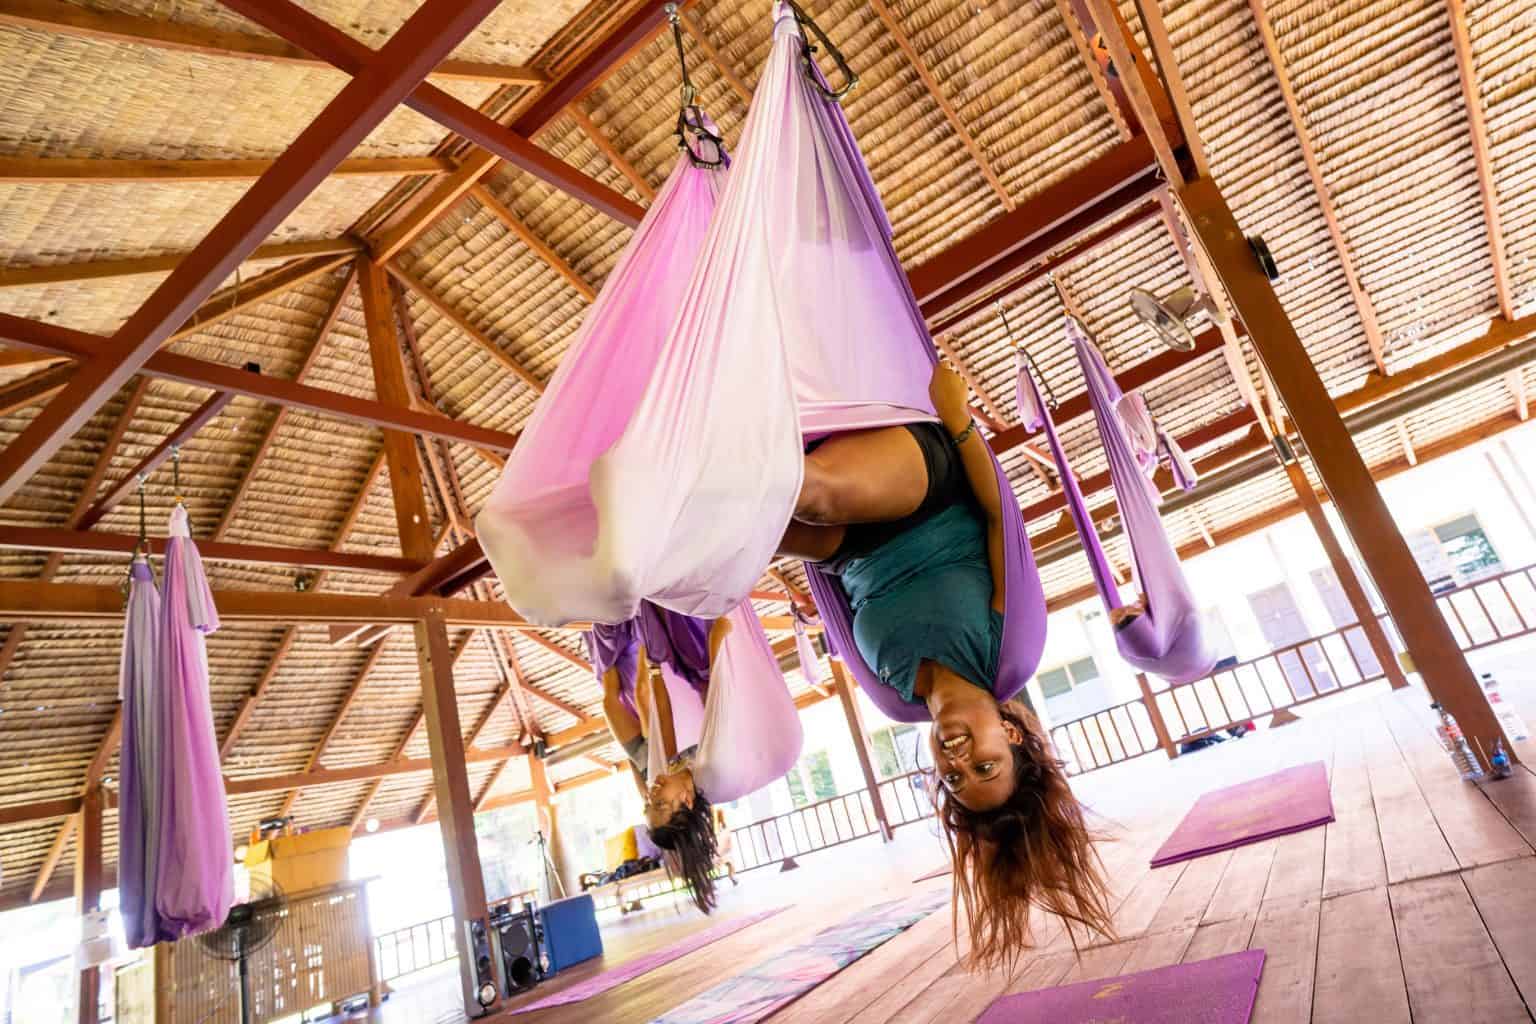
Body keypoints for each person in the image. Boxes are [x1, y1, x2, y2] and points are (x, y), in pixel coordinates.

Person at [778, 363, 1114, 968]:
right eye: (985, 765)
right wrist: (958, 421)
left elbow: (836, 596)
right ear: (1012, 736)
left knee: (733, 533)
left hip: (849, 547)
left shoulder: (893, 698)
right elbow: (1001, 518)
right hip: (928, 491)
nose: (958, 761)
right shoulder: (1010, 651)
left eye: (955, 779)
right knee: (809, 494)